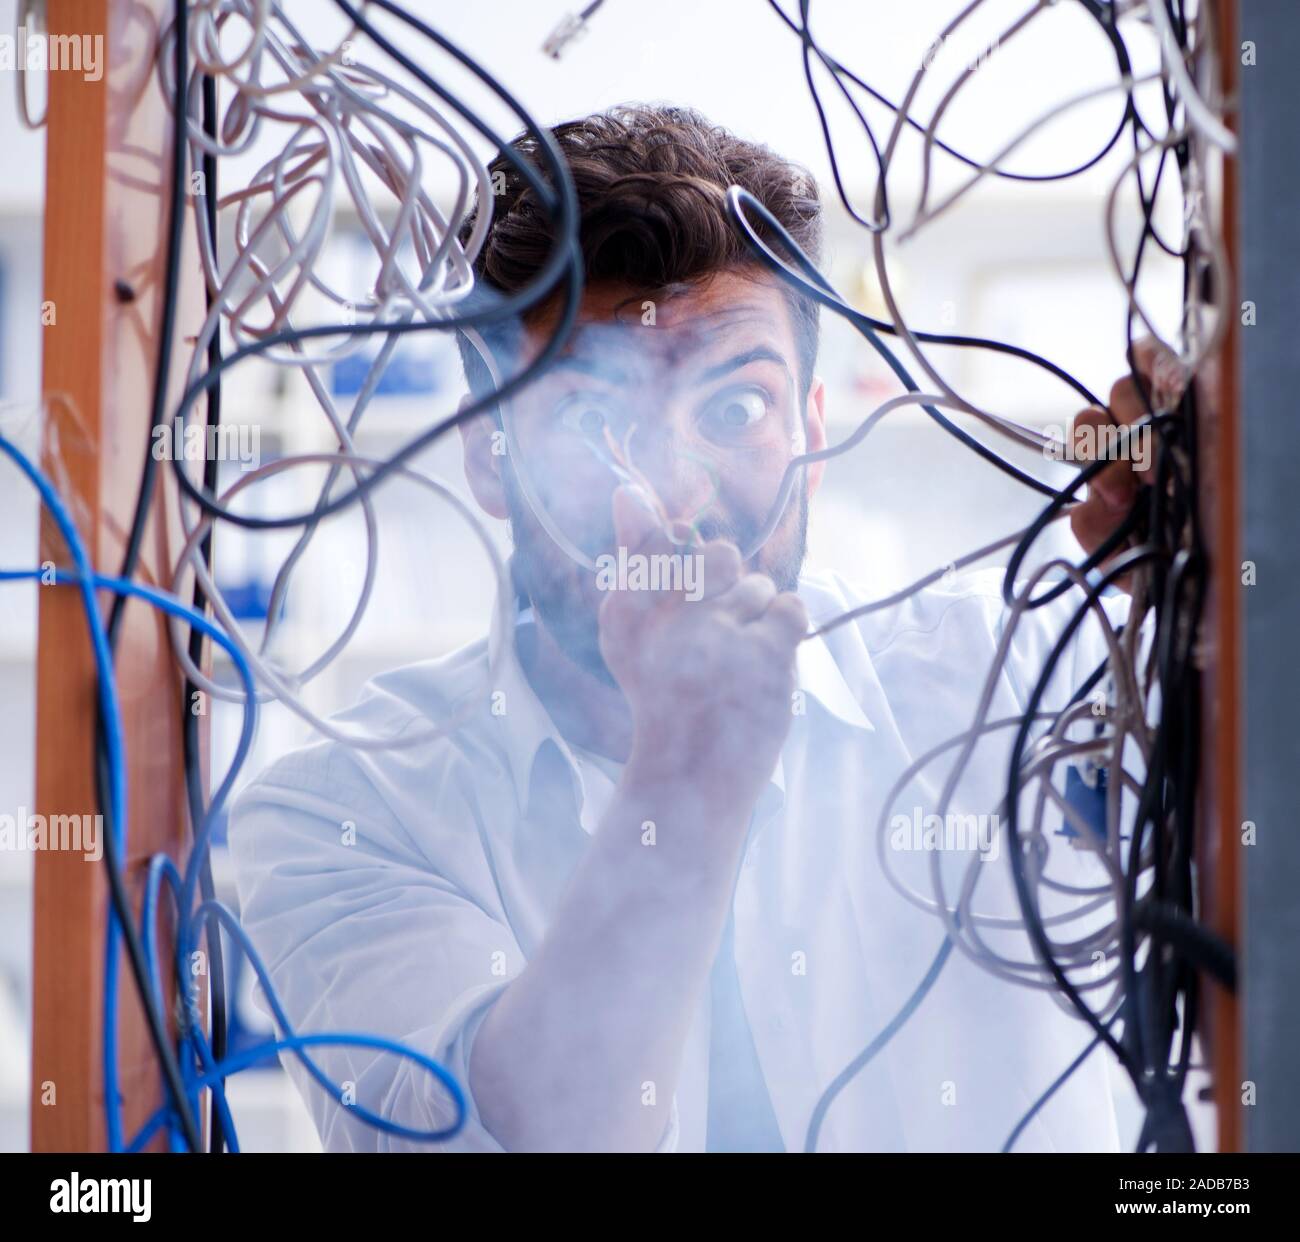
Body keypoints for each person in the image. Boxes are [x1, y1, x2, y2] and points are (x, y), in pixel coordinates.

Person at [230, 104, 1165, 1153]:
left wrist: (1221, 584)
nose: (676, 493)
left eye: (734, 412)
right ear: (488, 455)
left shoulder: (1030, 680)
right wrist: (687, 771)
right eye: (592, 420)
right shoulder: (338, 820)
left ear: (811, 433)